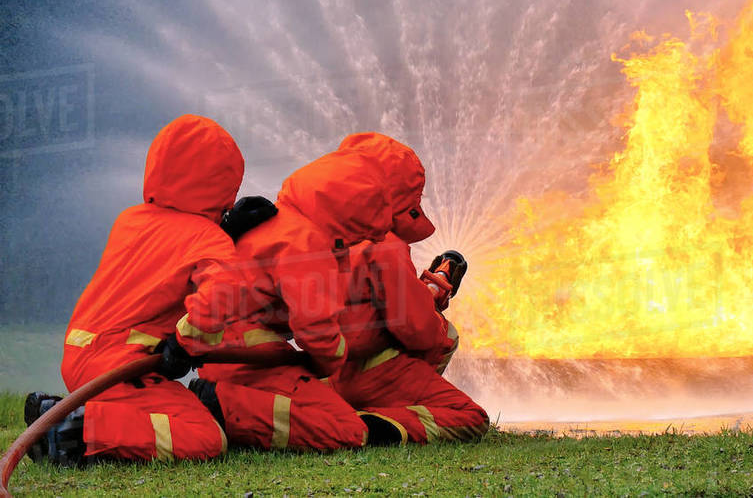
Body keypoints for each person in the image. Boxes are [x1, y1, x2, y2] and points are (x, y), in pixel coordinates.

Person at [31, 114, 244, 464]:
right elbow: (221, 296)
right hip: (120, 366)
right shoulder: (208, 239)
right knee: (205, 436)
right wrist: (186, 342)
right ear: (224, 187)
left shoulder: (129, 220)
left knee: (161, 408)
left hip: (77, 356)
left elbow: (159, 265)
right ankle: (74, 432)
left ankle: (67, 412)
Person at [184, 145, 393, 451]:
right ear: (352, 216)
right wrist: (336, 357)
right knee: (348, 430)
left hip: (225, 352)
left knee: (314, 404)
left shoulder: (283, 223)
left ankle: (225, 405)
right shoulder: (308, 243)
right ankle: (219, 406)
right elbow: (317, 332)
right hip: (244, 355)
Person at [332, 132, 489, 444]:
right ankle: (378, 424)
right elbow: (416, 331)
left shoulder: (320, 235)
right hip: (376, 371)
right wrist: (429, 303)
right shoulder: (384, 246)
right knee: (470, 416)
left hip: (331, 370)